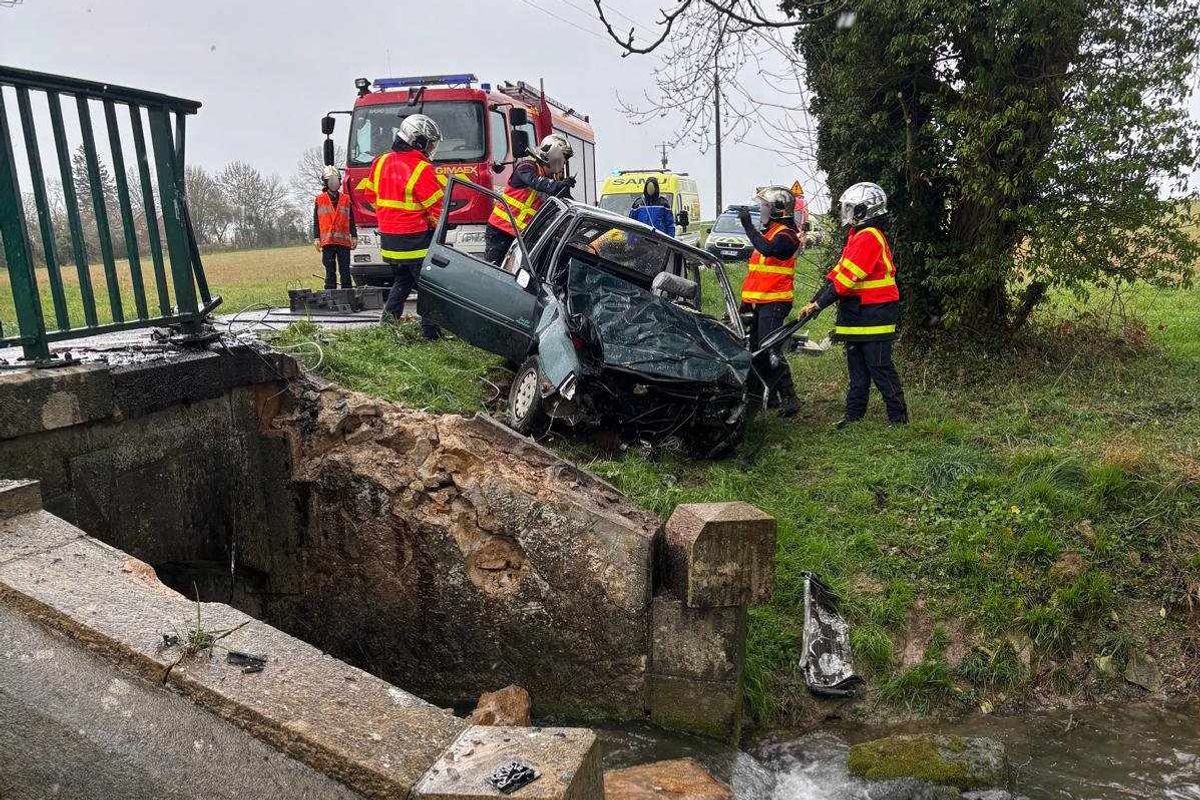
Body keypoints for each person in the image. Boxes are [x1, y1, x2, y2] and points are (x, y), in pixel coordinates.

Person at [800, 182, 908, 427]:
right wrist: (813, 301)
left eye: (849, 208)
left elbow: (845, 282)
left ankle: (899, 418)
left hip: (875, 314)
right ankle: (853, 416)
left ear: (863, 211)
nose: (845, 213)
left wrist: (819, 306)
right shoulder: (856, 237)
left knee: (879, 367)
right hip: (857, 314)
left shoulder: (869, 237)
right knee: (857, 372)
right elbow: (835, 275)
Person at [357, 113, 444, 338]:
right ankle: (430, 333)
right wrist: (435, 229)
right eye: (430, 143)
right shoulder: (422, 169)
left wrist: (391, 216)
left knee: (403, 280)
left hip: (388, 239)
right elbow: (436, 210)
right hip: (415, 240)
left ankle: (387, 324)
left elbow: (370, 195)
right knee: (428, 286)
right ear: (418, 141)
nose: (432, 148)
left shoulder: (380, 161)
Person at [738, 186, 803, 417]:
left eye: (764, 206)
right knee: (757, 351)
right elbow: (757, 274)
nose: (761, 211)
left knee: (771, 350)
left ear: (777, 210)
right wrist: (746, 302)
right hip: (762, 302)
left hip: (776, 302)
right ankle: (767, 396)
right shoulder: (771, 231)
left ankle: (789, 397)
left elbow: (767, 249)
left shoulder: (786, 235)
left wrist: (747, 225)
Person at [484, 134, 575, 264]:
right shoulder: (526, 167)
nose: (564, 163)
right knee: (494, 269)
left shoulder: (551, 181)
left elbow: (565, 202)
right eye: (564, 158)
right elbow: (536, 182)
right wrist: (559, 185)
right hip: (500, 230)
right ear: (555, 155)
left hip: (521, 236)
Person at [312, 166, 357, 290]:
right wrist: (316, 237)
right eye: (331, 181)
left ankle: (348, 295)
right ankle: (330, 295)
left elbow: (351, 219)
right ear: (326, 183)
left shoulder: (346, 199)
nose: (334, 183)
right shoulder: (320, 200)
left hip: (343, 242)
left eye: (336, 180)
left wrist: (354, 236)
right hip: (327, 242)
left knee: (345, 272)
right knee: (330, 271)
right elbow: (316, 220)